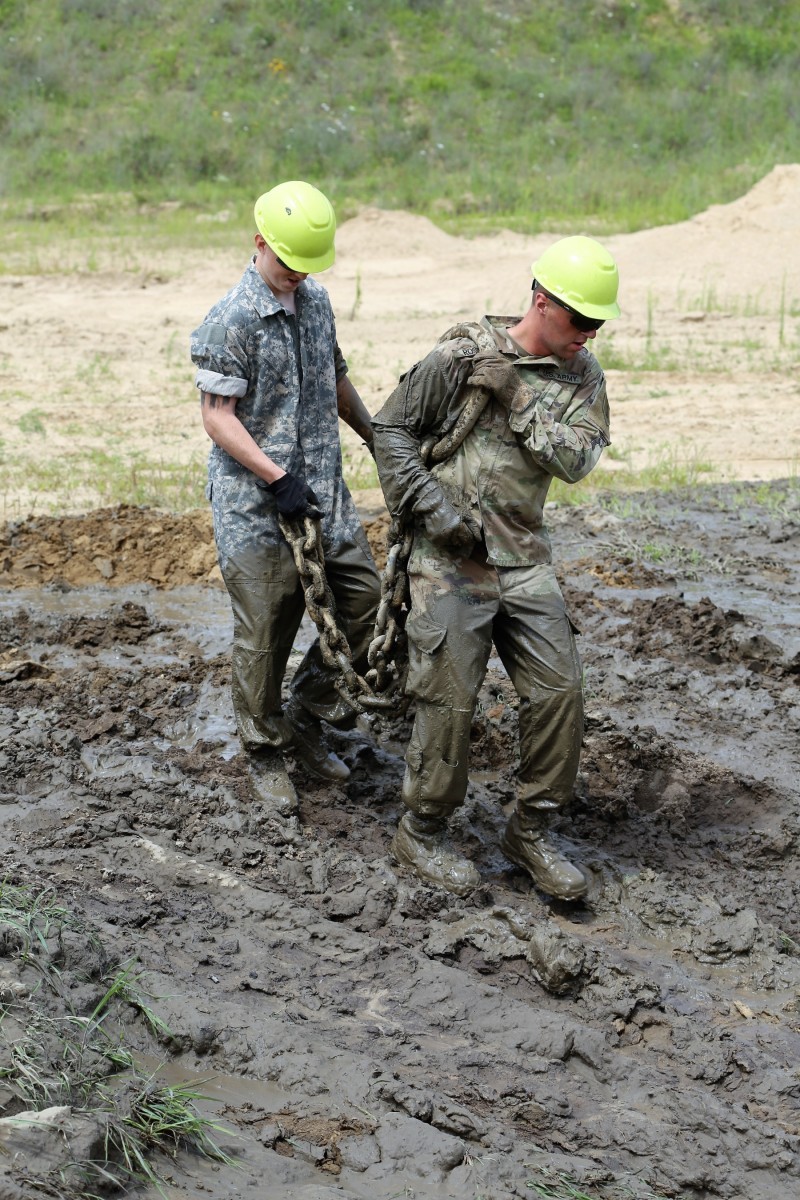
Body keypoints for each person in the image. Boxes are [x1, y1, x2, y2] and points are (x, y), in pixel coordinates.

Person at [372, 235, 621, 901]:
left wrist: (518, 397)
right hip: (451, 561)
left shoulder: (582, 376)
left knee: (560, 694)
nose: (588, 335)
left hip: (524, 559)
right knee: (449, 698)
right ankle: (421, 830)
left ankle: (531, 831)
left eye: (598, 324)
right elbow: (389, 431)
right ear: (541, 301)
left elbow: (575, 460)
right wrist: (430, 507)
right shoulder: (461, 356)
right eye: (578, 321)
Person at [190, 180, 380, 816]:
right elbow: (218, 417)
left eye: (307, 265)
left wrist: (377, 438)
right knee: (266, 630)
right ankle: (265, 749)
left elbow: (336, 378)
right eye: (287, 261)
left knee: (366, 603)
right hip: (256, 507)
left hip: (324, 492)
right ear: (259, 242)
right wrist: (276, 477)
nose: (297, 274)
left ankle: (306, 713)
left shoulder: (317, 301)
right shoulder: (230, 320)